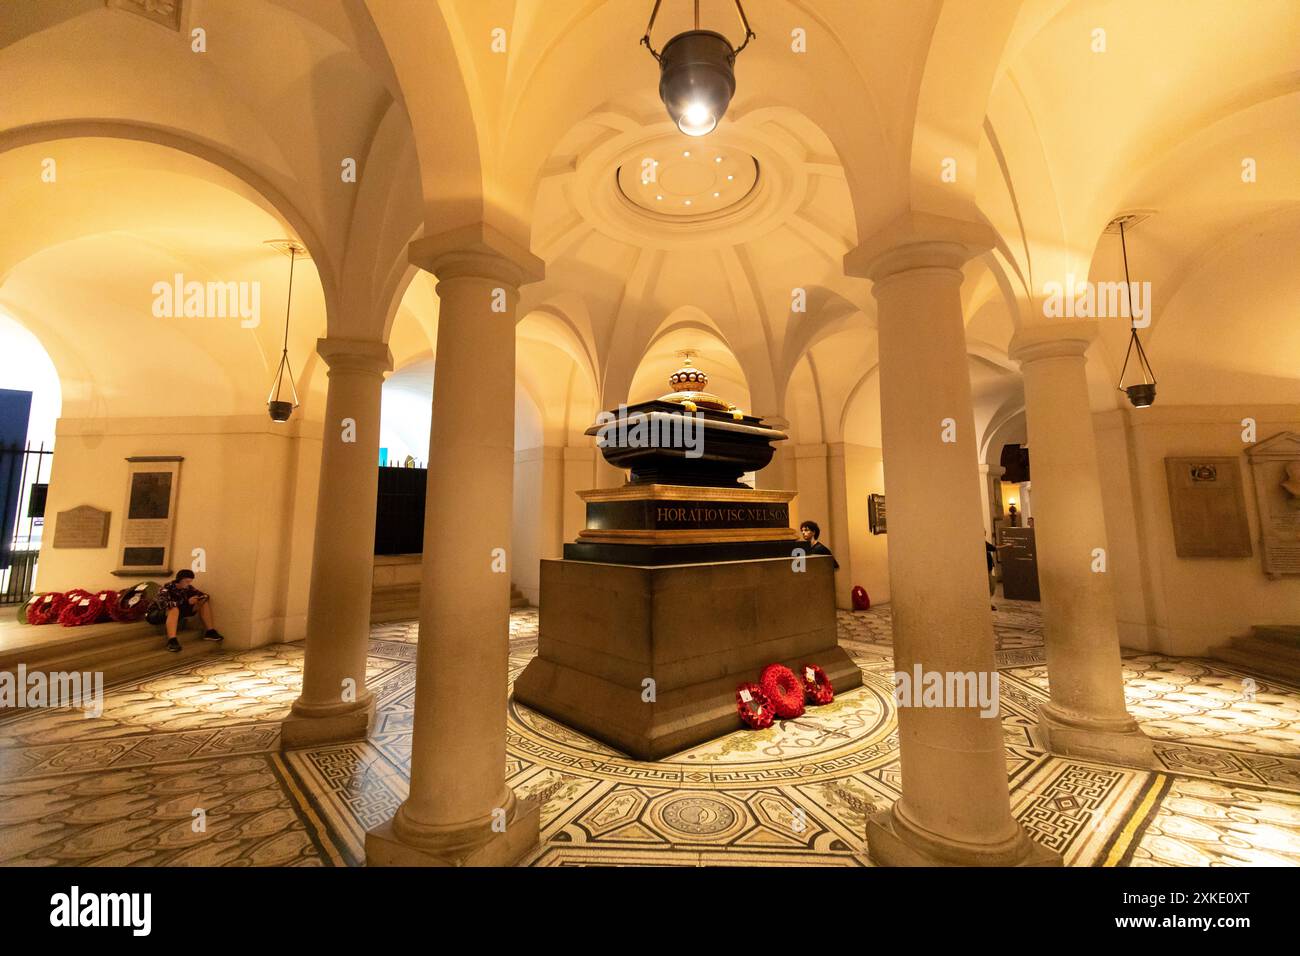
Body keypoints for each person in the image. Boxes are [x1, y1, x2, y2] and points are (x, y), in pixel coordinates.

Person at [152, 569, 223, 652]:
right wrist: (187, 602)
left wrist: (202, 597)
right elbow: (165, 604)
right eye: (186, 581)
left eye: (190, 582)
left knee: (203, 602)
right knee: (174, 608)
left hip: (177, 612)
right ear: (180, 580)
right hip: (158, 613)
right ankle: (172, 640)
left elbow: (202, 594)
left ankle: (210, 631)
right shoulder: (166, 588)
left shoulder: (188, 588)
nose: (188, 584)